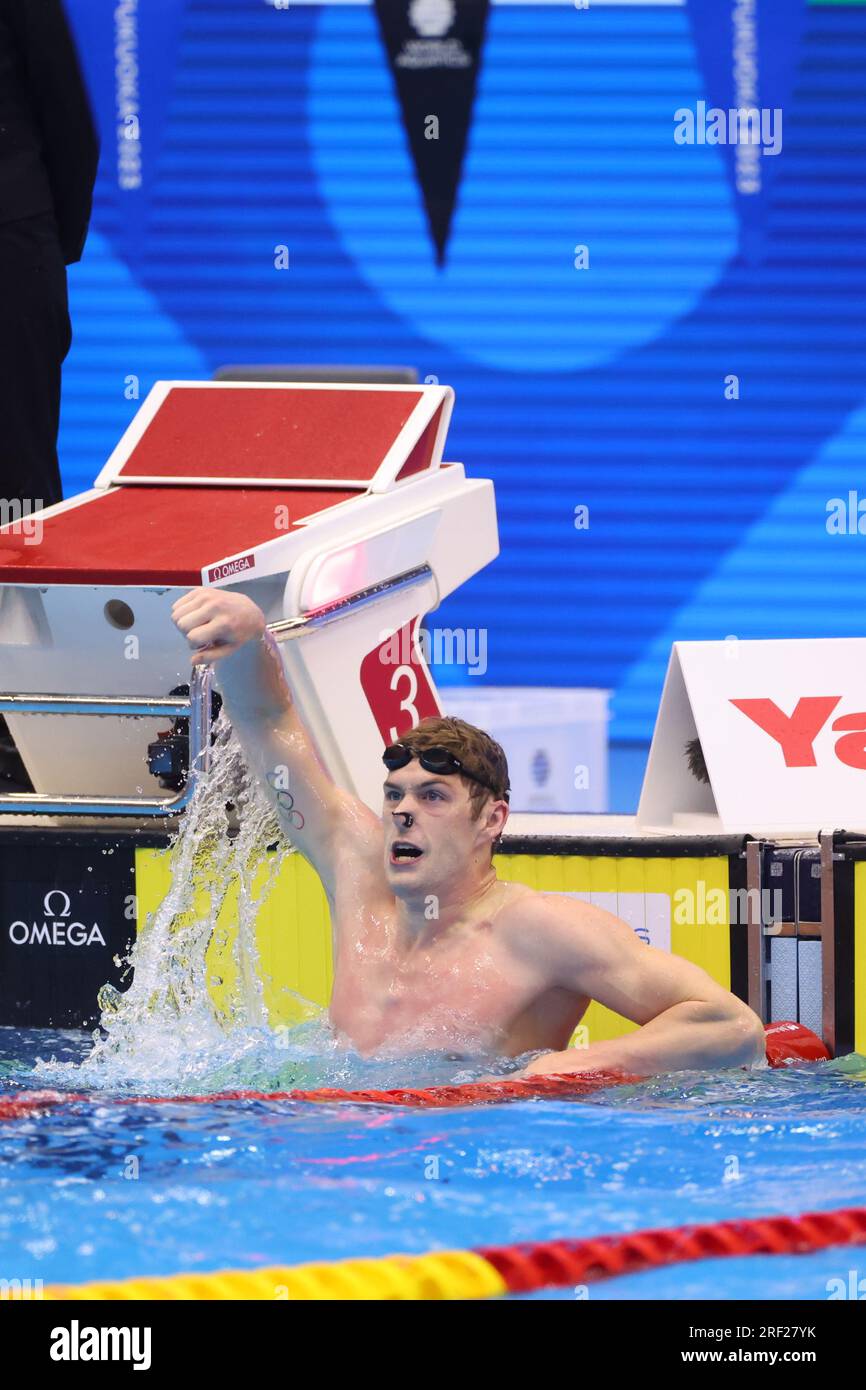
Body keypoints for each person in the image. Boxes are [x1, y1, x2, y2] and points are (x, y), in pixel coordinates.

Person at [171, 586, 767, 1078]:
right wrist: (250, 639)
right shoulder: (358, 873)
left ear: (491, 820)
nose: (403, 812)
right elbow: (273, 723)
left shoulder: (538, 930)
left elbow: (730, 1028)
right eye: (394, 795)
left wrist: (565, 1069)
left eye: (433, 797)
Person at [0, 0, 99, 790]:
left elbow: (70, 120)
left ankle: (26, 717)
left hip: (10, 252)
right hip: (20, 241)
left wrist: (43, 243)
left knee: (17, 484)